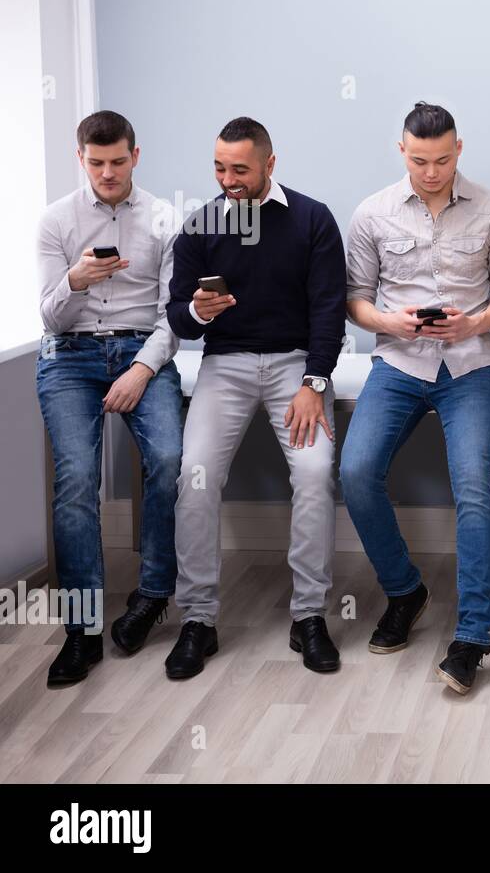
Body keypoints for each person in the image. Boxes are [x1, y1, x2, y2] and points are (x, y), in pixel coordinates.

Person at [339, 103, 490, 694]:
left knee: (473, 489)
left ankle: (472, 637)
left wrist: (472, 325)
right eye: (419, 160)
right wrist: (391, 319)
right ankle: (404, 590)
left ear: (458, 149)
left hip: (468, 367)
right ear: (402, 151)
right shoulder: (372, 213)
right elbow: (355, 298)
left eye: (441, 159)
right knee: (357, 472)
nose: (431, 171)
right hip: (398, 362)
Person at [164, 117, 347, 679]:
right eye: (219, 168)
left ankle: (308, 615)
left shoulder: (312, 220)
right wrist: (199, 312)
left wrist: (315, 382)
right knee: (193, 471)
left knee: (315, 471)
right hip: (226, 364)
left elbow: (328, 310)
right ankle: (198, 618)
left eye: (240, 169)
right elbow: (178, 319)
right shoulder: (200, 227)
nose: (228, 180)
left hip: (297, 364)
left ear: (270, 164)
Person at [37, 110, 182, 686]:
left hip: (143, 351)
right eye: (96, 163)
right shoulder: (55, 220)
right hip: (68, 355)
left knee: (170, 460)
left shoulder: (166, 220)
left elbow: (175, 317)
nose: (107, 172)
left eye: (117, 161)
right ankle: (82, 629)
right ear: (81, 159)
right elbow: (47, 316)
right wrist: (75, 281)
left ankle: (151, 595)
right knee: (76, 478)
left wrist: (142, 368)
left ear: (135, 155)